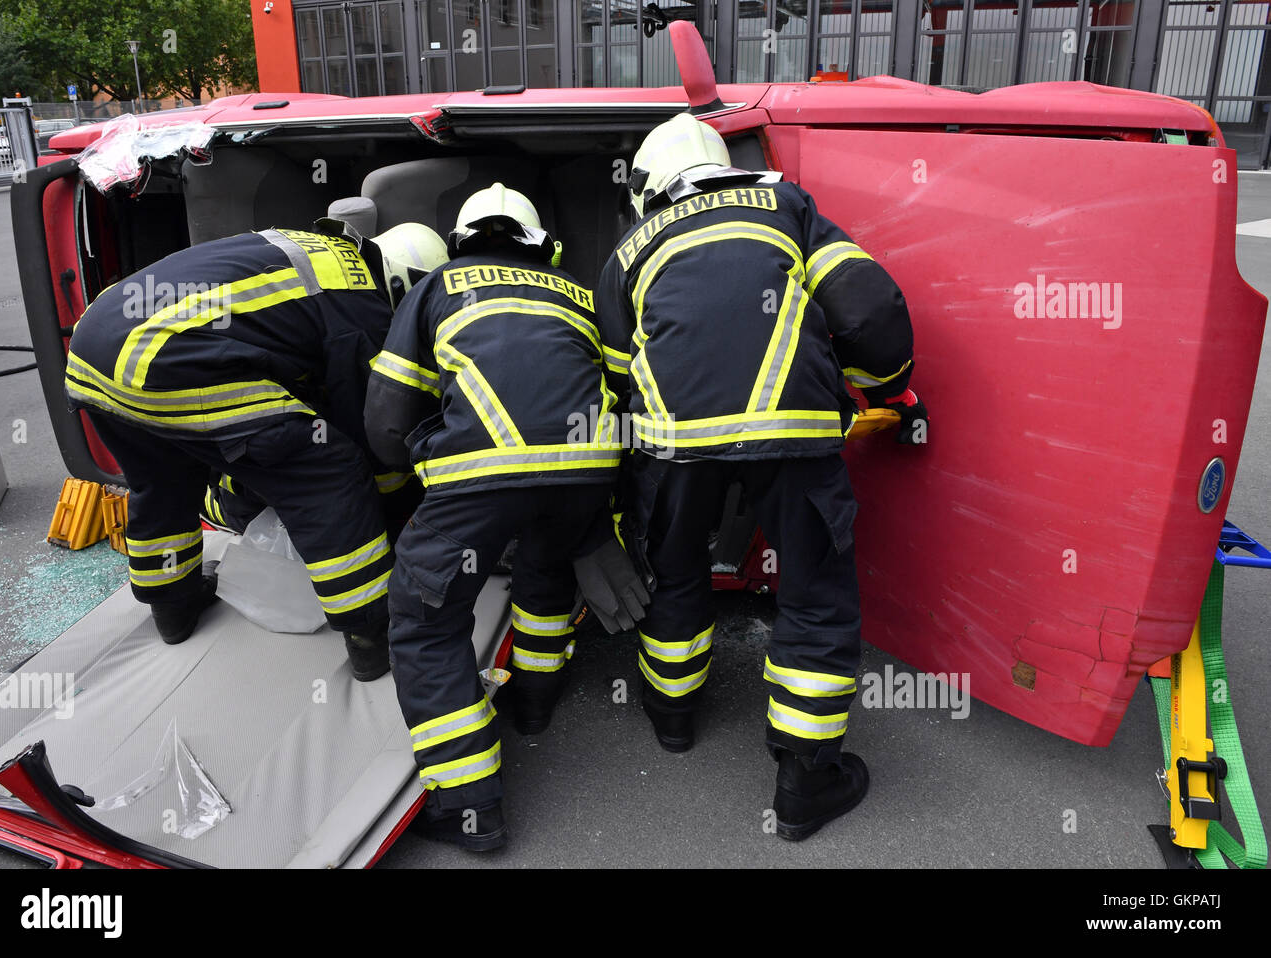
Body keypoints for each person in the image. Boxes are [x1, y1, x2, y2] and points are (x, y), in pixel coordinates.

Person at [594, 114, 928, 842]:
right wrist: (889, 385)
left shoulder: (630, 247)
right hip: (795, 437)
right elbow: (870, 307)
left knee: (676, 574)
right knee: (813, 596)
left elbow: (618, 375)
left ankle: (673, 720)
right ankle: (806, 781)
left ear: (651, 187)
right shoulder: (789, 208)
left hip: (674, 446)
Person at [365, 183, 648, 851]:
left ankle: (471, 809)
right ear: (537, 243)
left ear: (461, 241)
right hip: (587, 469)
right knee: (545, 575)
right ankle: (534, 706)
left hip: (478, 480)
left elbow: (387, 416)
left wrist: (413, 470)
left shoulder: (436, 287)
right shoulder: (575, 292)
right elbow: (620, 383)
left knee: (427, 622)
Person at [64, 218, 448, 681]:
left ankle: (172, 607)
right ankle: (370, 634)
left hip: (92, 351)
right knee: (330, 469)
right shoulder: (364, 308)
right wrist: (399, 496)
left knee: (164, 478)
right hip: (161, 358)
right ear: (404, 284)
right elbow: (365, 427)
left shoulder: (320, 251)